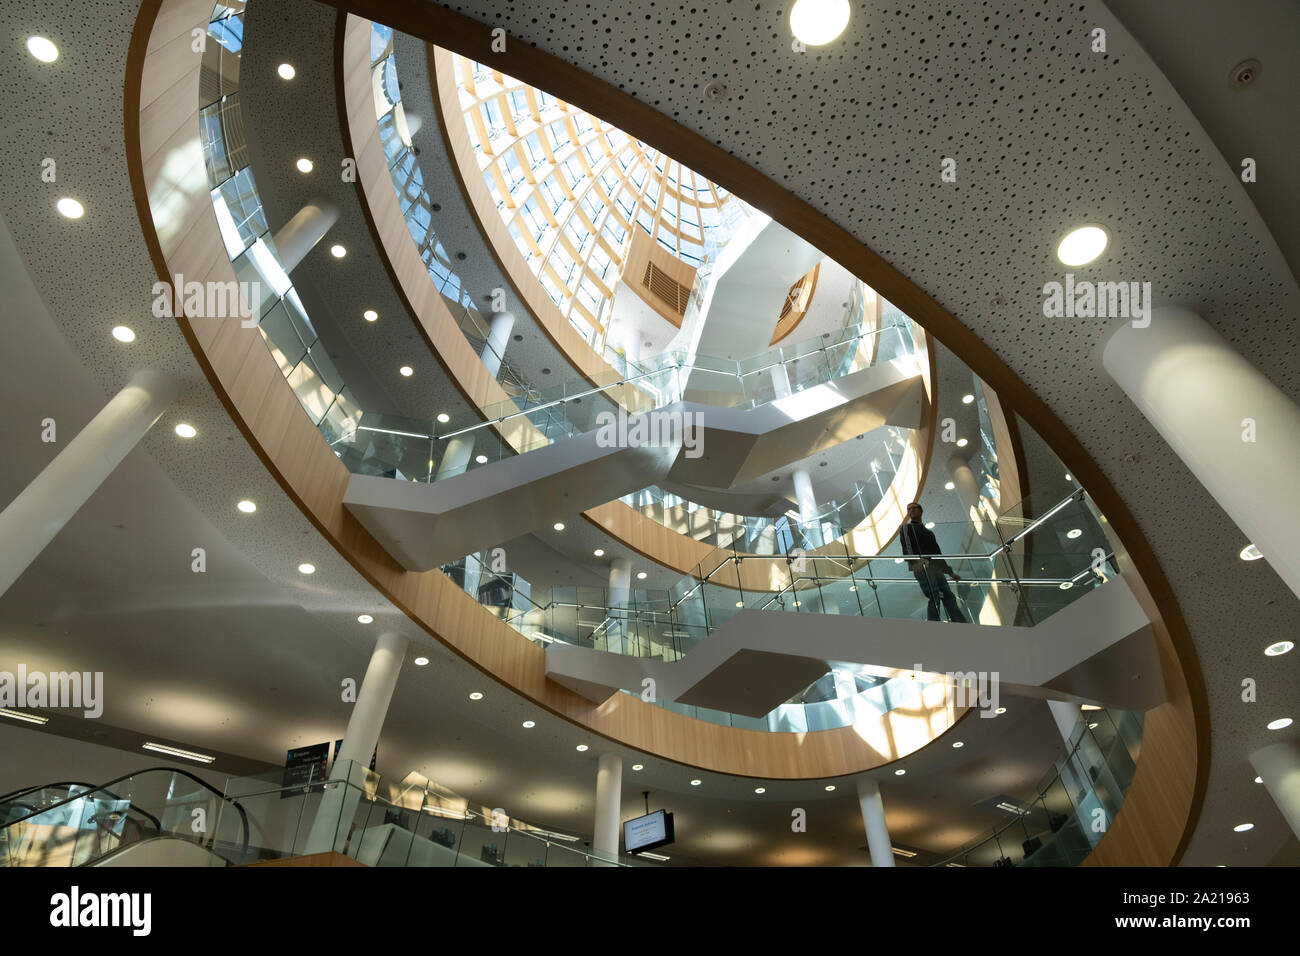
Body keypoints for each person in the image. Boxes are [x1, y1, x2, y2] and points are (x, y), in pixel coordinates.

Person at [899, 502, 968, 623]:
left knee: (948, 595)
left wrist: (950, 572)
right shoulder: (907, 528)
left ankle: (960, 622)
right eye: (908, 509)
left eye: (913, 508)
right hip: (922, 568)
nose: (911, 511)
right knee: (934, 595)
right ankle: (934, 624)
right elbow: (906, 546)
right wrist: (914, 562)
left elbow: (937, 554)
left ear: (921, 510)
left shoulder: (929, 533)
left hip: (936, 569)